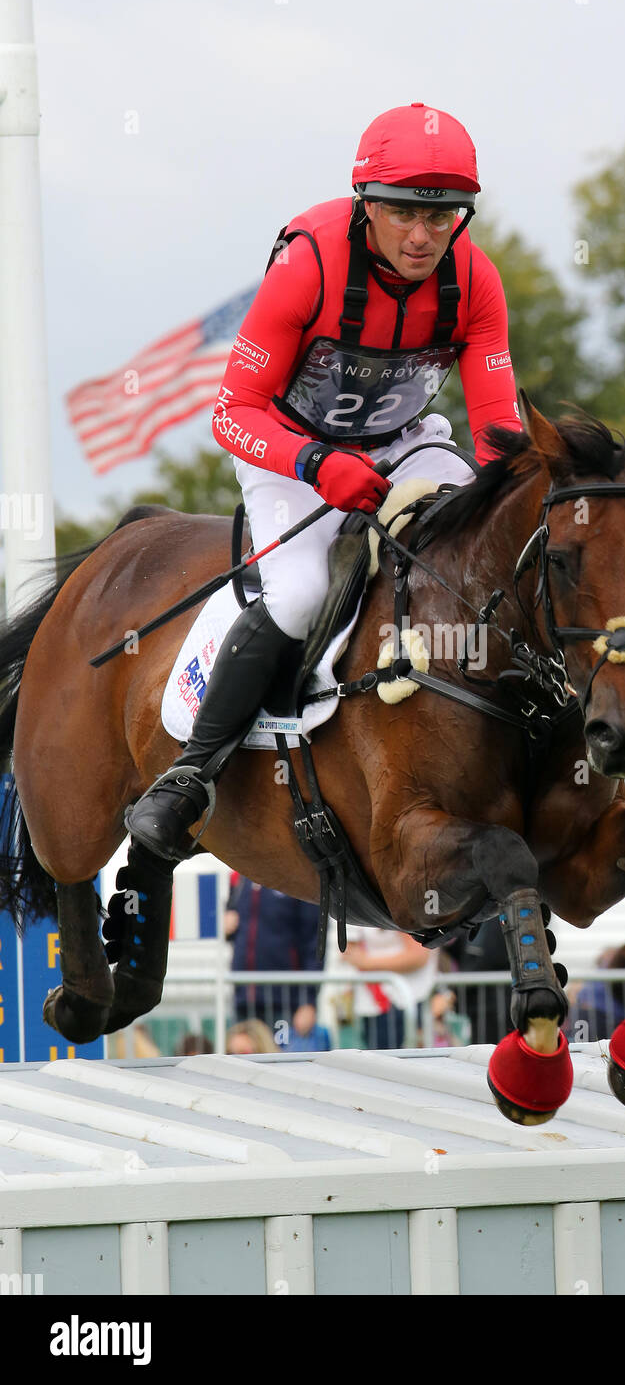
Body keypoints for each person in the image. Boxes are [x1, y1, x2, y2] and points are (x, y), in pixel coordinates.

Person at [126, 103, 521, 862]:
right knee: (303, 590)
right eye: (404, 212)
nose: (422, 236)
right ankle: (189, 776)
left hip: (404, 447)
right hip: (288, 450)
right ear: (366, 205)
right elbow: (231, 410)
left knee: (476, 555)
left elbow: (498, 432)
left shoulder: (476, 282)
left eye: (442, 218)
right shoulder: (308, 263)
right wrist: (316, 464)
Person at [224, 874, 321, 1029]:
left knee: (282, 1052)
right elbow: (232, 926)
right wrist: (225, 924)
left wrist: (308, 1002)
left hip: (286, 1001)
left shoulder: (298, 875)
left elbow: (314, 941)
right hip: (244, 998)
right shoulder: (240, 876)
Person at [340, 925, 439, 1049]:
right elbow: (349, 952)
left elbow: (418, 956)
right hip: (373, 1005)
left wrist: (367, 962)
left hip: (403, 1004)